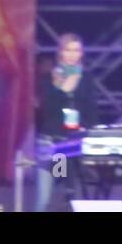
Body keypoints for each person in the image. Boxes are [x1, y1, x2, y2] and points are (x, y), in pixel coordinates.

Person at [35, 33, 100, 212]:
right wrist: (64, 87)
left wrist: (90, 132)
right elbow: (46, 110)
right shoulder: (49, 78)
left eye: (76, 50)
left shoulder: (86, 78)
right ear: (60, 53)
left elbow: (91, 109)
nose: (72, 54)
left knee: (69, 195)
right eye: (68, 50)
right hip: (51, 143)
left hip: (72, 143)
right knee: (45, 199)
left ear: (81, 53)